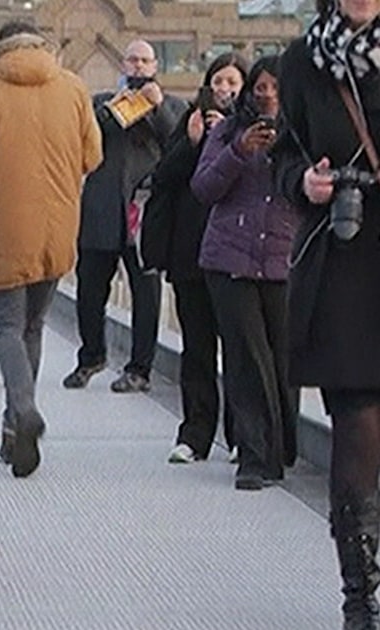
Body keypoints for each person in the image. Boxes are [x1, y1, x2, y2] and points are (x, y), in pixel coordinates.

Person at [0, 22, 102, 478]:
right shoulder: (74, 87)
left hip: (2, 224)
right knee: (34, 325)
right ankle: (11, 428)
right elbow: (92, 155)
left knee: (4, 323)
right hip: (59, 226)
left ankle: (22, 411)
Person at [275, 0, 380, 622]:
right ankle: (360, 597)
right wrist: (303, 183)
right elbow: (282, 155)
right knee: (357, 422)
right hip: (343, 261)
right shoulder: (302, 62)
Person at [190, 55, 297, 491]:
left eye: (274, 87)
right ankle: (254, 457)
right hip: (230, 260)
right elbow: (203, 188)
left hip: (285, 260)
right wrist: (239, 152)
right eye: (260, 86)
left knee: (284, 360)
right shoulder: (228, 132)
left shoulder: (302, 133)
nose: (266, 94)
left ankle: (281, 448)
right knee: (247, 359)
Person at [140, 52, 248, 464]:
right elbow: (164, 176)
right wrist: (192, 142)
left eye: (232, 83)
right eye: (218, 81)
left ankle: (242, 436)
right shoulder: (189, 119)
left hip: (235, 257)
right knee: (197, 350)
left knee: (238, 349)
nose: (224, 90)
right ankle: (195, 434)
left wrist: (227, 141)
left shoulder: (251, 128)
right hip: (191, 254)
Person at [67, 39, 186, 393]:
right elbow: (87, 140)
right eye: (132, 60)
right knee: (89, 291)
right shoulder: (102, 103)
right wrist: (119, 108)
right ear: (123, 64)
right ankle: (91, 356)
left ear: (155, 66)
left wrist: (156, 107)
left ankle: (140, 369)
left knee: (146, 296)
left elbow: (176, 146)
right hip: (101, 209)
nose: (137, 66)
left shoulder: (173, 106)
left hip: (144, 213)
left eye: (145, 60)